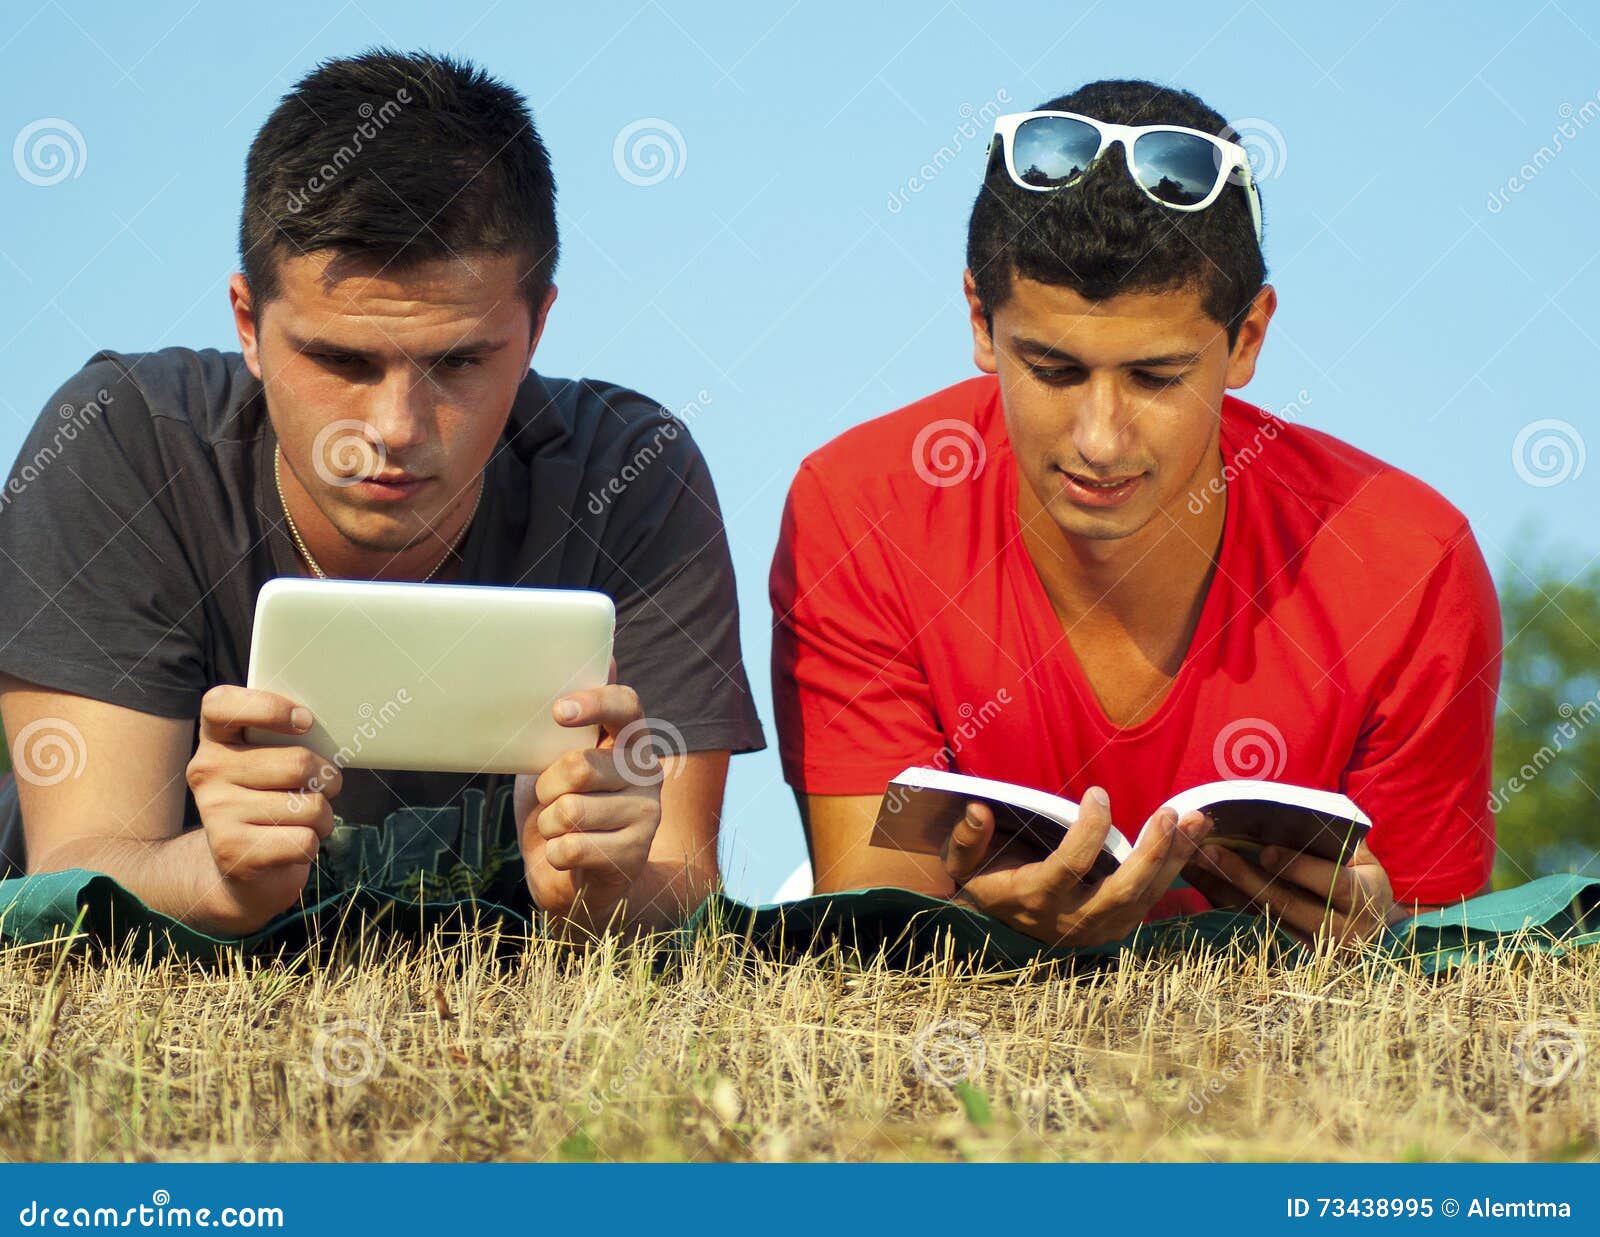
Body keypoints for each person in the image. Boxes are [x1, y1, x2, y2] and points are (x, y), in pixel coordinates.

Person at [0, 49, 764, 940]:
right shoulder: (124, 444)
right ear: (248, 323)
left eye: (459, 362)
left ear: (538, 327)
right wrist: (212, 876)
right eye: (341, 361)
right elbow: (74, 866)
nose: (395, 427)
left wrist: (604, 891)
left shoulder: (633, 473)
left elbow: (682, 880)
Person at [770, 79, 1500, 950]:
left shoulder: (1409, 564)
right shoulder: (861, 507)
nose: (1101, 439)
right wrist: (980, 930)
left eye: (1156, 378)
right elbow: (868, 924)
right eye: (1052, 369)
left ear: (1248, 339)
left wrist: (1378, 938)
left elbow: (1441, 944)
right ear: (979, 319)